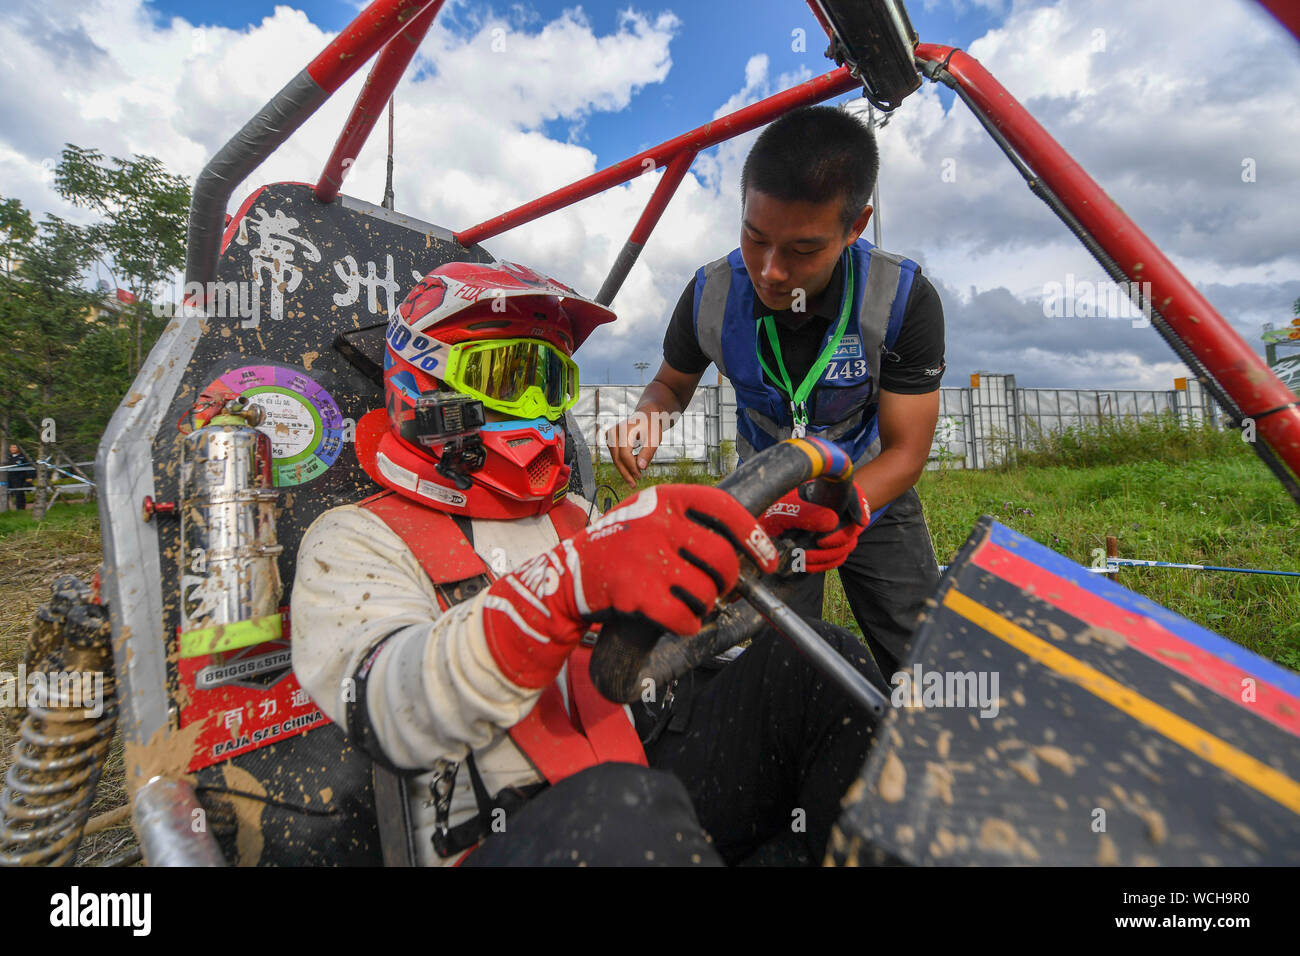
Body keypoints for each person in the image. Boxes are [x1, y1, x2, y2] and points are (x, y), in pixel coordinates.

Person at [291, 260, 884, 866]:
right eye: (507, 376)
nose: (535, 404)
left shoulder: (573, 514)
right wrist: (557, 589)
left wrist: (751, 551)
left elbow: (649, 637)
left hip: (638, 778)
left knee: (821, 664)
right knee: (614, 813)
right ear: (425, 384)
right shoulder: (354, 538)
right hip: (506, 831)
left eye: (550, 381)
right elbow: (386, 706)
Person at [606, 105, 945, 677]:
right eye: (754, 237)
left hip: (870, 492)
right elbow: (669, 385)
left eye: (802, 250)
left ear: (855, 226)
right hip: (764, 500)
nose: (770, 271)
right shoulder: (710, 295)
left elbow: (906, 452)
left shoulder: (900, 299)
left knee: (922, 656)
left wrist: (841, 507)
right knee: (777, 665)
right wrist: (649, 419)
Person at [7, 444, 31, 511]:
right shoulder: (7, 457)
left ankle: (20, 509)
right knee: (7, 493)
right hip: (9, 478)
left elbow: (28, 467)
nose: (13, 449)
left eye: (14, 447)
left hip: (19, 478)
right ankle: (6, 510)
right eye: (11, 447)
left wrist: (29, 477)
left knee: (19, 494)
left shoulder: (23, 457)